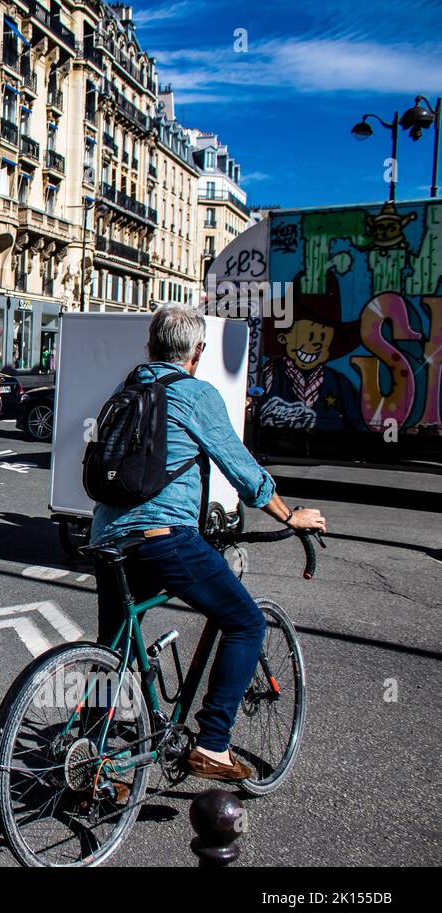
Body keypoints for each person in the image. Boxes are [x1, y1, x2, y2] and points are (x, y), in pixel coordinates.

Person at [90, 305, 327, 782]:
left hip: (107, 537)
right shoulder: (194, 394)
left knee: (111, 651)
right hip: (164, 538)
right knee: (243, 621)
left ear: (149, 349)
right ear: (195, 353)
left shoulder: (126, 390)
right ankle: (214, 745)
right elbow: (239, 467)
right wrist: (288, 514)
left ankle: (93, 757)